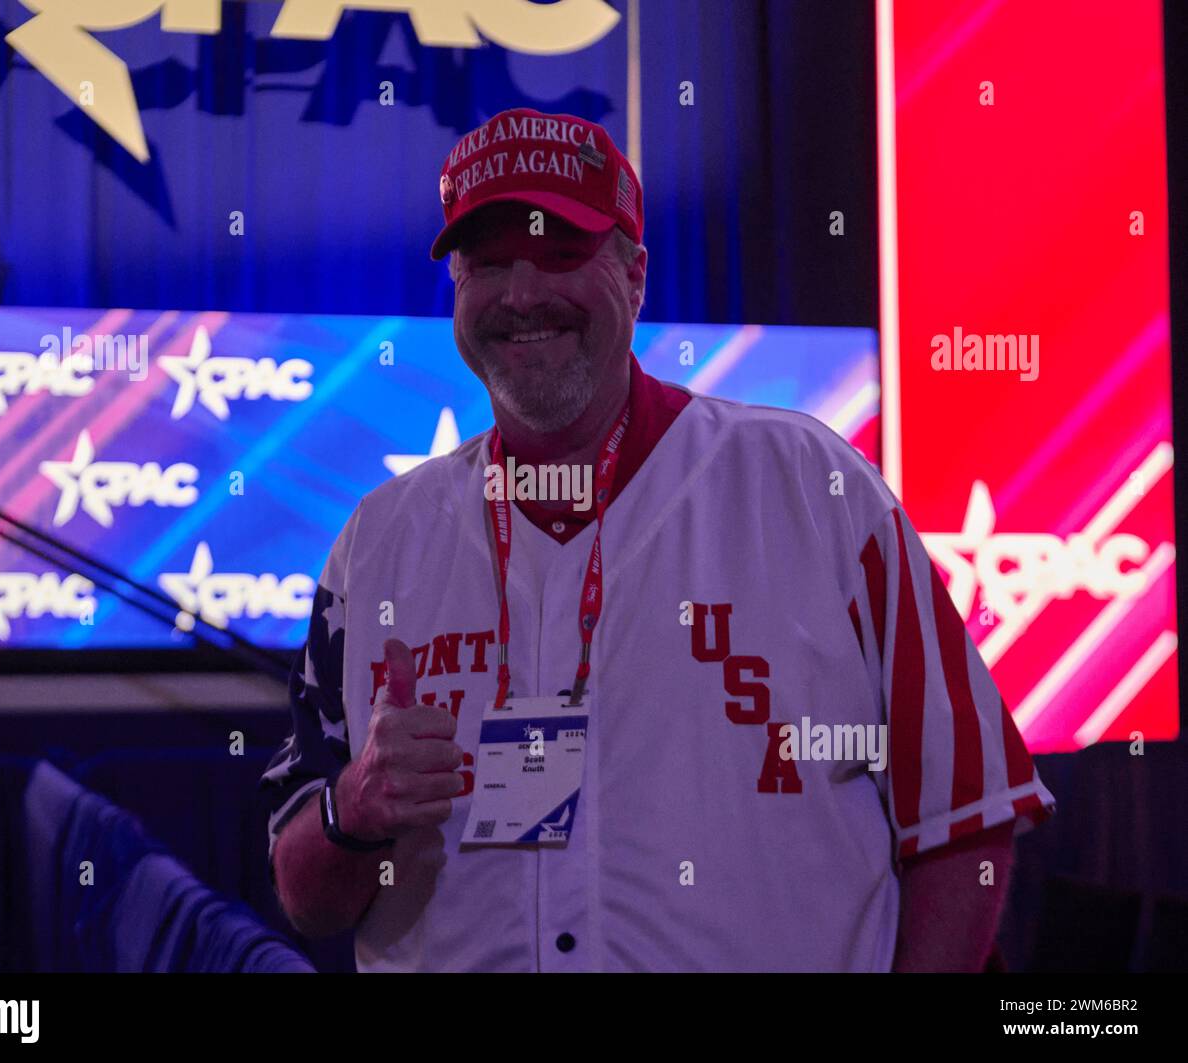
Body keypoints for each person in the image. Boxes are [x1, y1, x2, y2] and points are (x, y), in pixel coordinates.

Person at [260, 107, 1056, 972]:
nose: (524, 295)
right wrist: (353, 808)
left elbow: (965, 824)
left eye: (562, 252)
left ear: (635, 276)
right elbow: (308, 898)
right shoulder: (378, 543)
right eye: (489, 262)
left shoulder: (812, 489)